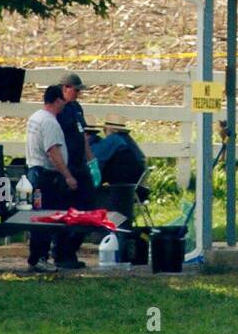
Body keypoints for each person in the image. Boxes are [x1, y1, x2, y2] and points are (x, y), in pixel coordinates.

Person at [24, 84, 78, 273]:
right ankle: (40, 257)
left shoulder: (35, 117)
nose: (64, 104)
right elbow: (53, 152)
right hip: (46, 177)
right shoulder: (50, 122)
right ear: (57, 100)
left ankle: (36, 257)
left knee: (38, 217)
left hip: (34, 173)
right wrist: (68, 176)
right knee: (46, 218)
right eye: (62, 100)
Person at [52, 72, 102, 269]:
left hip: (80, 165)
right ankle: (61, 253)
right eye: (76, 90)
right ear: (65, 88)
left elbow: (83, 137)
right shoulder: (58, 111)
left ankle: (72, 249)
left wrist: (92, 161)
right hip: (67, 165)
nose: (78, 94)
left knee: (88, 209)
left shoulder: (76, 109)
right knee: (65, 211)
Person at [91, 113, 147, 217]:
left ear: (110, 130)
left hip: (124, 188)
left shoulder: (114, 140)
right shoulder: (128, 140)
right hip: (137, 186)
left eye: (105, 130)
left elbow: (97, 159)